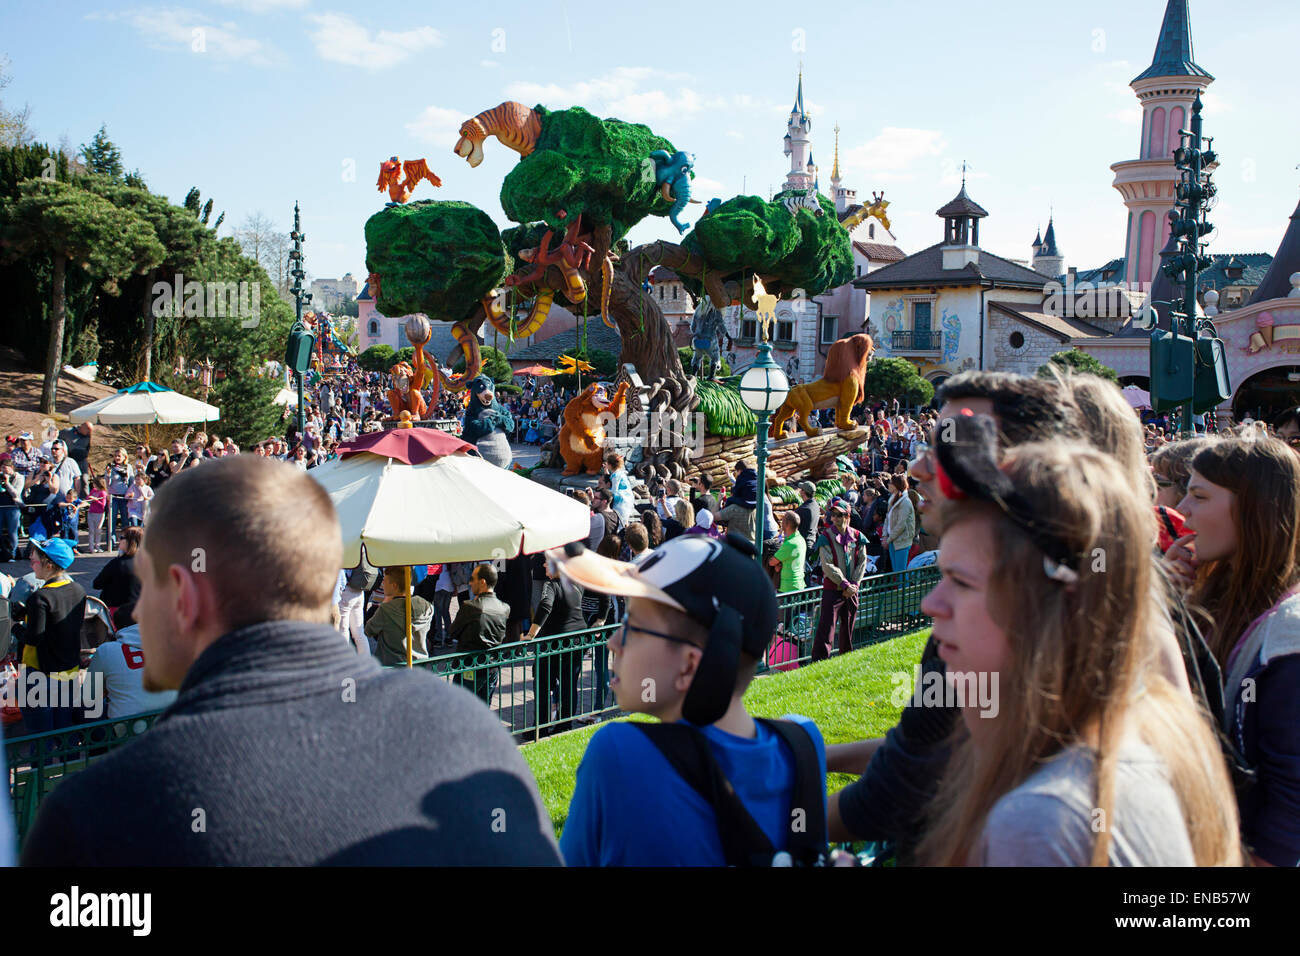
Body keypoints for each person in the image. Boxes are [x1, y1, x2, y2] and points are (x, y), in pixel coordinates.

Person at [20, 455, 561, 866]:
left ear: (184, 595)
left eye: (146, 585)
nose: (139, 607)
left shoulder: (96, 816)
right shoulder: (468, 730)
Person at [913, 418, 1240, 865]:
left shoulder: (1042, 821)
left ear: (1047, 605)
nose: (932, 604)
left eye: (961, 581)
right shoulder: (1135, 731)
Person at [555, 534, 829, 866]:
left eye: (632, 625)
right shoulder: (803, 743)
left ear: (689, 665)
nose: (614, 642)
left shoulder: (617, 752)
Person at [1166, 435, 1300, 867]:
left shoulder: (1289, 633)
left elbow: (1291, 796)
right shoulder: (1214, 593)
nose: (1181, 510)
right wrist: (1167, 602)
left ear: (1256, 508)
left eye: (1199, 495)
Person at [10, 536, 85, 733]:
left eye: (35, 557)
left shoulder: (40, 597)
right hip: (68, 670)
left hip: (39, 674)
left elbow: (34, 638)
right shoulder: (77, 589)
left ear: (49, 564)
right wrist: (29, 614)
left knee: (41, 738)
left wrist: (15, 626)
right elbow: (62, 622)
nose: (31, 560)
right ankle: (70, 764)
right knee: (64, 730)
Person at [526, 559, 587, 734]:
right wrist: (601, 617)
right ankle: (564, 725)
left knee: (543, 683)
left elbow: (545, 605)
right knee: (568, 683)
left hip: (555, 643)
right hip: (577, 640)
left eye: (547, 563)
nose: (544, 565)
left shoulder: (551, 585)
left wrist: (531, 634)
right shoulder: (575, 583)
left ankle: (541, 727)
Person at [810, 500, 869, 662]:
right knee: (826, 627)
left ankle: (846, 658)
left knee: (848, 626)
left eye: (839, 515)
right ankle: (819, 661)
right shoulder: (826, 537)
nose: (835, 518)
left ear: (847, 516)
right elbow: (827, 565)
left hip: (851, 590)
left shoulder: (858, 537)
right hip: (833, 589)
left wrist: (854, 585)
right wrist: (844, 584)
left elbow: (862, 562)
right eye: (833, 515)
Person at [85, 623, 179, 720]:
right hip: (175, 724)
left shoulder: (106, 650)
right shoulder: (174, 645)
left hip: (126, 730)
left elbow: (88, 698)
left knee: (84, 709)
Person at [449, 563, 511, 704]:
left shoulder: (470, 607)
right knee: (484, 707)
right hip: (492, 667)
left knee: (463, 708)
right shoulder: (504, 608)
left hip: (470, 666)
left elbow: (453, 631)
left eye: (472, 579)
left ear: (482, 582)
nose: (470, 583)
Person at [93, 526, 143, 619]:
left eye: (121, 538)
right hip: (141, 612)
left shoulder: (118, 563)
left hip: (116, 612)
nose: (119, 540)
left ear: (130, 541)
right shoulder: (149, 564)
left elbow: (97, 584)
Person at [883, 474, 916, 574]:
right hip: (893, 540)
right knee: (896, 573)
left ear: (896, 485)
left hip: (902, 541)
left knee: (900, 573)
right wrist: (885, 536)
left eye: (890, 483)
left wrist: (888, 540)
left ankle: (905, 590)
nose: (888, 485)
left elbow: (901, 525)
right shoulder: (892, 499)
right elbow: (887, 519)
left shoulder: (905, 502)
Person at [104, 448, 133, 550]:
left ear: (124, 457)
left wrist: (131, 494)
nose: (117, 458)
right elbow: (107, 483)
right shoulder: (110, 467)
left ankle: (125, 543)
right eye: (115, 456)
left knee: (125, 521)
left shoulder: (128, 467)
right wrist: (108, 475)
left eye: (119, 456)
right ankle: (110, 543)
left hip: (124, 496)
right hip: (113, 497)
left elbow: (131, 481)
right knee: (112, 520)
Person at [770, 511, 806, 593]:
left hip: (787, 588)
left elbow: (771, 562)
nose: (781, 522)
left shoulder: (789, 544)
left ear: (787, 524)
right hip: (798, 585)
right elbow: (780, 543)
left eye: (783, 520)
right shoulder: (800, 539)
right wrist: (781, 532)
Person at [0, 455, 23, 562]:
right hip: (1, 507)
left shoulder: (19, 477)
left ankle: (12, 554)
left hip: (12, 508)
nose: (4, 470)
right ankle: (2, 552)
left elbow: (16, 494)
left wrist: (7, 482)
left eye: (6, 467)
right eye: (2, 467)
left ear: (11, 467)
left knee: (12, 531)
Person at [82, 475, 109, 554]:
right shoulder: (93, 490)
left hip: (99, 513)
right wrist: (90, 498)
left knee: (98, 530)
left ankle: (97, 546)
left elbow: (102, 505)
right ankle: (91, 547)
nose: (93, 485)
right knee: (91, 531)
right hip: (91, 512)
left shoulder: (103, 493)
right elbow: (88, 498)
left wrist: (96, 500)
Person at [794, 481, 821, 555]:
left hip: (803, 546)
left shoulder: (804, 509)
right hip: (813, 542)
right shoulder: (815, 505)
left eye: (801, 489)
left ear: (803, 492)